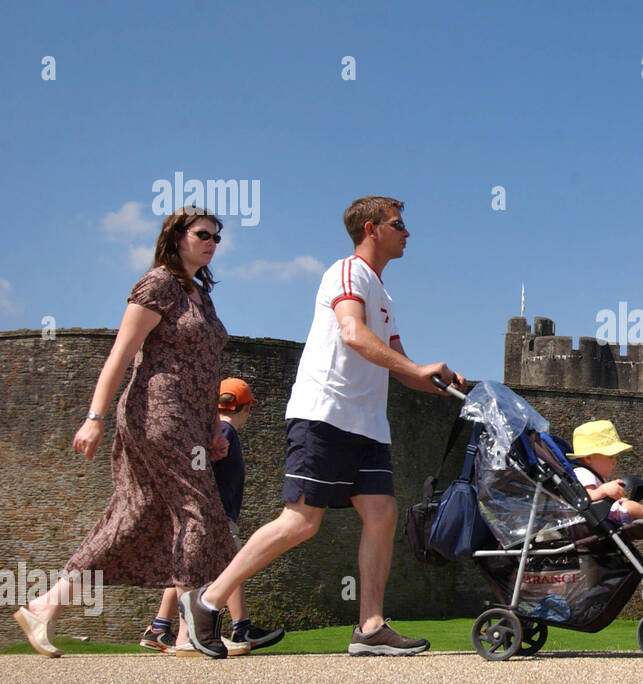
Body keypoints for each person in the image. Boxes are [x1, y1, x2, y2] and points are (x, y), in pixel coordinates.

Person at [180, 196, 466, 658]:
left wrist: (432, 378)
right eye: (398, 224)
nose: (406, 232)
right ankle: (207, 600)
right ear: (371, 229)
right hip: (325, 413)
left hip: (368, 425)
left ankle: (370, 626)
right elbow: (352, 333)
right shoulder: (347, 272)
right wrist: (415, 371)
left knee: (382, 513)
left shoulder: (384, 293)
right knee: (301, 522)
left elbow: (395, 361)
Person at [13, 208, 236, 656]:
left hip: (191, 420)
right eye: (203, 234)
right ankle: (193, 631)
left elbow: (208, 368)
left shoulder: (199, 295)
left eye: (217, 236)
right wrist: (95, 418)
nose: (212, 242)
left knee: (134, 518)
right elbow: (120, 354)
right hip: (156, 414)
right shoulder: (157, 285)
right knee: (201, 510)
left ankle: (44, 606)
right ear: (176, 238)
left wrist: (214, 425)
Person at [142, 378, 286, 656]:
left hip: (206, 511)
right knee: (234, 563)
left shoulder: (213, 430)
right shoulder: (225, 431)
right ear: (244, 409)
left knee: (189, 568)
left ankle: (159, 627)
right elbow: (198, 466)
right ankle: (241, 627)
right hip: (215, 514)